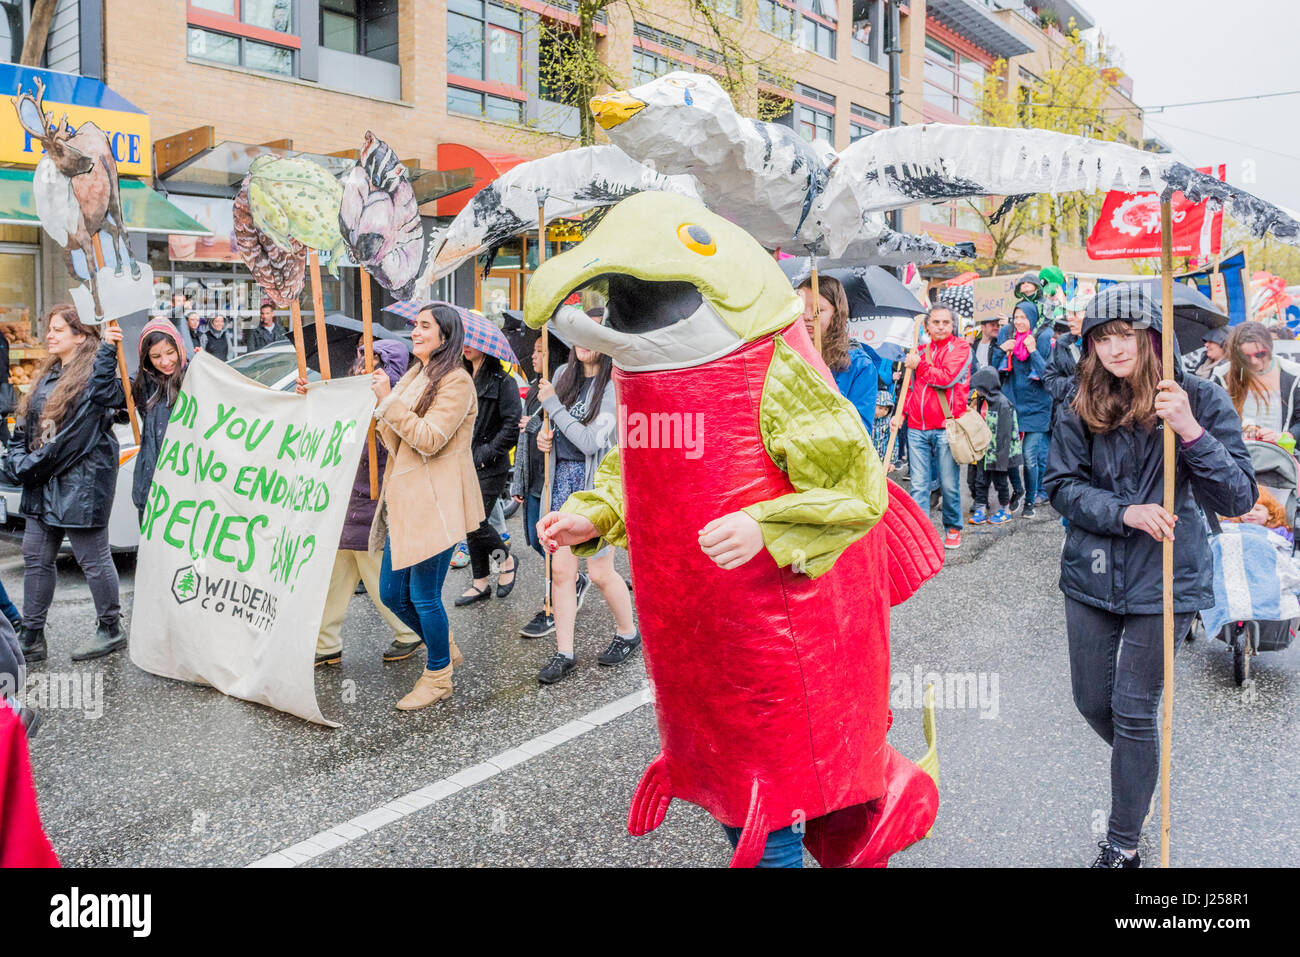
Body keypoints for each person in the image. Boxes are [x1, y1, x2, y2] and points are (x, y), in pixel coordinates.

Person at [1044, 290, 1255, 868]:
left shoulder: (1200, 399)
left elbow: (1238, 495)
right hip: (1090, 573)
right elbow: (1060, 485)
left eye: (1126, 335)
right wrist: (1124, 512)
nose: (1113, 349)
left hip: (1166, 578)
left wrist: (1189, 428)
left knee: (1136, 710)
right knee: (1093, 703)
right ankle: (1140, 765)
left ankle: (1123, 844)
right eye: (1101, 337)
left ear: (1153, 338)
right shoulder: (1079, 399)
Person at [370, 303, 483, 710]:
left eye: (424, 326)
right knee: (391, 593)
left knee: (423, 596)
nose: (414, 332)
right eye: (414, 325)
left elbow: (431, 438)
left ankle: (438, 677)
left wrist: (388, 402)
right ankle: (442, 642)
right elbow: (391, 426)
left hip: (437, 501)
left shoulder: (457, 381)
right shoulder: (418, 373)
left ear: (445, 337)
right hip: (405, 500)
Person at [7, 305, 127, 663]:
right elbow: (26, 427)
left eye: (58, 329)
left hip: (80, 483)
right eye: (49, 329)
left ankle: (111, 628)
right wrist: (16, 459)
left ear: (80, 335)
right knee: (36, 558)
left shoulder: (95, 376)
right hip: (43, 480)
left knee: (92, 558)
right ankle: (32, 635)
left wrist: (28, 467)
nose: (50, 335)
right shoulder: (48, 375)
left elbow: (72, 439)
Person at [535, 310, 638, 683]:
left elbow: (592, 440)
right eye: (577, 335)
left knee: (599, 573)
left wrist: (553, 408)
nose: (582, 343)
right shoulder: (563, 376)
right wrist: (543, 438)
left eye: (591, 336)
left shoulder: (614, 384)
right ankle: (564, 652)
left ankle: (628, 632)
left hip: (595, 492)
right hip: (562, 482)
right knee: (560, 572)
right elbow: (557, 431)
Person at [312, 340, 429, 667]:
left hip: (374, 504)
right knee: (334, 578)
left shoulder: (397, 403)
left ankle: (409, 632)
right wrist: (311, 395)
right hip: (344, 502)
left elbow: (400, 447)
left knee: (377, 576)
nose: (362, 366)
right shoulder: (351, 400)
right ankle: (325, 642)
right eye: (361, 357)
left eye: (373, 361)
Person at [891, 305, 971, 549]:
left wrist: (919, 365)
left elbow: (946, 378)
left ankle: (953, 527)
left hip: (946, 427)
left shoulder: (961, 348)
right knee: (918, 485)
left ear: (952, 325)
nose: (940, 326)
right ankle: (920, 535)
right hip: (916, 427)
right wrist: (900, 414)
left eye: (945, 322)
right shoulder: (920, 350)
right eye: (935, 322)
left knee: (948, 484)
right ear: (927, 326)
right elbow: (909, 387)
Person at [455, 333, 523, 607]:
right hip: (462, 460)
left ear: (487, 347)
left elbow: (511, 426)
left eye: (472, 341)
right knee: (468, 522)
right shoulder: (461, 378)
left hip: (489, 464)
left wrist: (485, 454)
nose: (466, 346)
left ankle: (505, 561)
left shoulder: (503, 382)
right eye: (463, 341)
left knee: (478, 521)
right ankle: (480, 582)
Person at [512, 332, 573, 639]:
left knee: (551, 545)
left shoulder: (561, 389)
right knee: (534, 542)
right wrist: (519, 479)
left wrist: (537, 425)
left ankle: (552, 605)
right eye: (533, 351)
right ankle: (573, 581)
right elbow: (524, 441)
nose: (534, 357)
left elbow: (564, 431)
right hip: (534, 475)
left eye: (540, 351)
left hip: (552, 476)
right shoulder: (534, 389)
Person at [797, 275, 882, 433]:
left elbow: (859, 431)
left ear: (836, 313)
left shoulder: (860, 365)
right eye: (801, 308)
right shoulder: (788, 355)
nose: (807, 316)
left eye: (817, 310)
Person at [997, 301, 1053, 517]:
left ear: (1033, 319)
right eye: (1016, 317)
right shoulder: (1007, 335)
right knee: (1009, 455)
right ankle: (1018, 490)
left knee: (1030, 457)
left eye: (1024, 317)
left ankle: (1030, 501)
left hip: (1038, 407)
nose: (1019, 321)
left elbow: (1047, 375)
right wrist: (1002, 351)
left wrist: (1033, 351)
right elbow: (995, 370)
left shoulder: (1043, 338)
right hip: (1012, 405)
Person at [131, 319, 188, 525]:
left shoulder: (196, 377)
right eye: (156, 356)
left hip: (187, 495)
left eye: (170, 353)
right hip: (151, 490)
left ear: (180, 348)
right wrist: (108, 350)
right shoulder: (143, 383)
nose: (164, 362)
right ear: (146, 358)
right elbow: (104, 393)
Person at [1212, 321, 1300, 442]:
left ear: (1270, 347)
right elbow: (1213, 420)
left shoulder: (1293, 373)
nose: (1254, 361)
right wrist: (1241, 429)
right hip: (1237, 455)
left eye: (1260, 354)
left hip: (1281, 456)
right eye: (1246, 356)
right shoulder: (1222, 375)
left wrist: (1283, 437)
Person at [967, 366, 1020, 526]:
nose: (977, 391)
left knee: (1000, 482)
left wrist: (1001, 460)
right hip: (984, 451)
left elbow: (1005, 434)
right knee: (980, 481)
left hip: (999, 454)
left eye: (979, 387)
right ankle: (981, 509)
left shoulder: (1003, 404)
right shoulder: (982, 401)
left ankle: (1005, 509)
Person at [1224, 488, 1294, 546]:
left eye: (1257, 510)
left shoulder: (1280, 531)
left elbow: (1292, 545)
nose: (1250, 513)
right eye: (1246, 510)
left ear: (1270, 515)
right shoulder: (1232, 526)